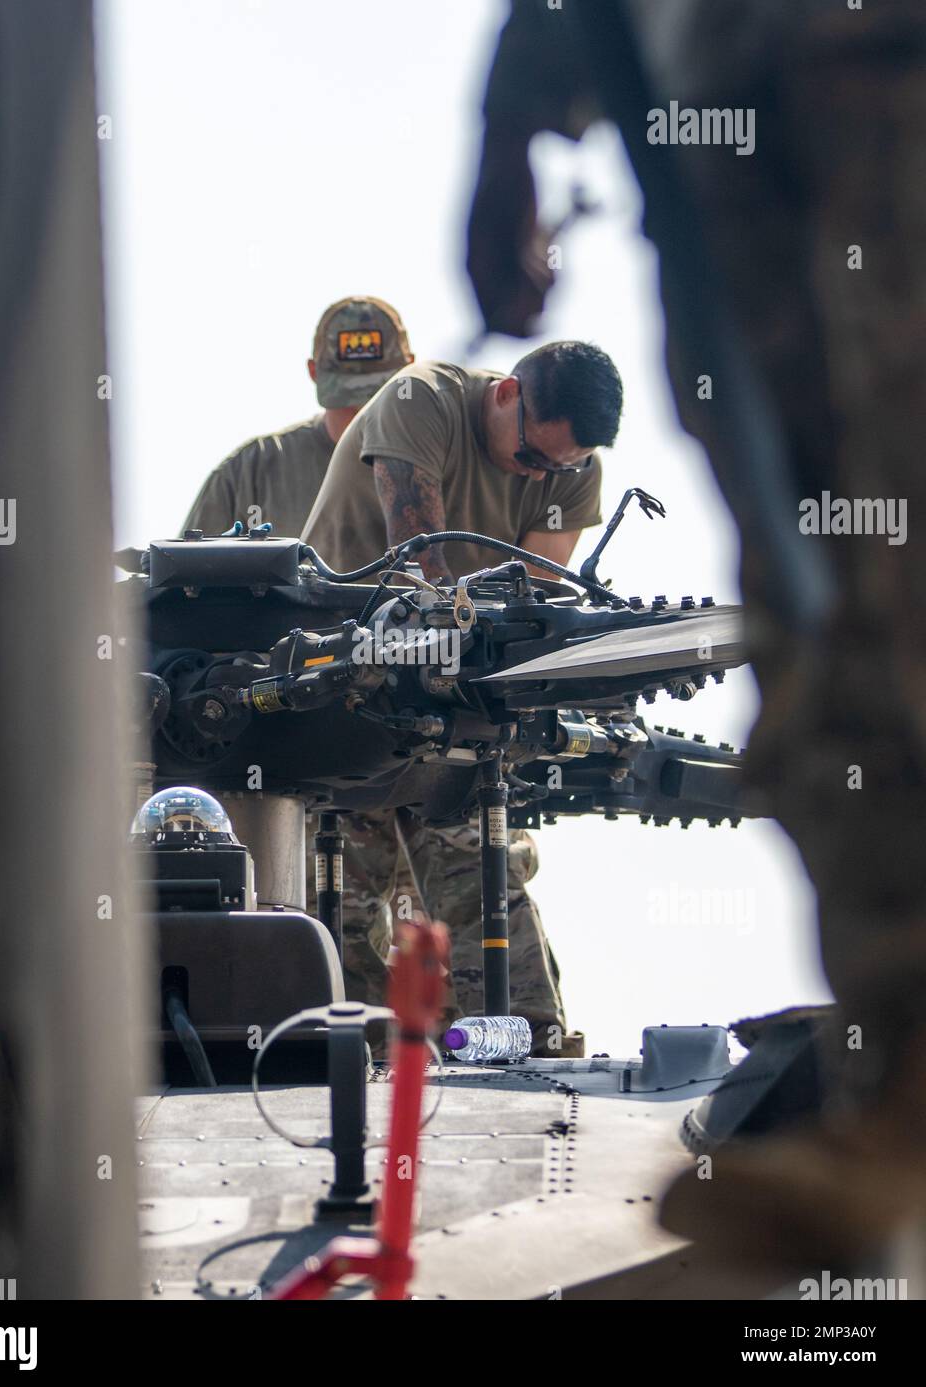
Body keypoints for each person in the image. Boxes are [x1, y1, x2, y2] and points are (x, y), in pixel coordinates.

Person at [466, 0, 926, 1268]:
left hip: (885, 78)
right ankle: (900, 1089)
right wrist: (517, 111)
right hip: (712, 125)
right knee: (806, 613)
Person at [302, 342, 624, 1053]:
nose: (542, 476)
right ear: (507, 394)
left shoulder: (573, 471)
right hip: (342, 687)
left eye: (561, 467)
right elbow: (420, 565)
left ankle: (528, 1043)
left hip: (451, 705)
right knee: (345, 917)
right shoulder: (422, 403)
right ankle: (353, 1064)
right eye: (534, 459)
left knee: (484, 879)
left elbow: (532, 606)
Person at [182, 295, 413, 538]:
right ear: (313, 372)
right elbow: (180, 570)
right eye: (347, 399)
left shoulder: (445, 461)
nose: (361, 415)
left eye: (376, 399)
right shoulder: (250, 474)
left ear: (411, 370)